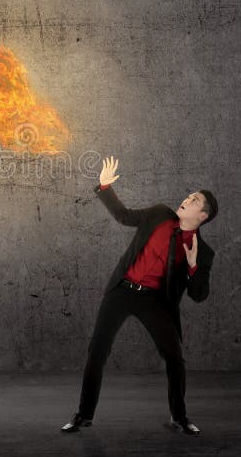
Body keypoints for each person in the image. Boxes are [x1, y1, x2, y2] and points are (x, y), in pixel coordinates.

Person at [61, 156, 218, 436]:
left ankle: (179, 417)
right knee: (97, 351)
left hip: (154, 302)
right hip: (122, 290)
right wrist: (105, 186)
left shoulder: (202, 252)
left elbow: (199, 295)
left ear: (202, 216)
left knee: (174, 358)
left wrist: (193, 265)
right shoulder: (159, 213)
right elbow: (124, 216)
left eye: (194, 200)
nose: (187, 199)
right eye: (189, 195)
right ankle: (83, 415)